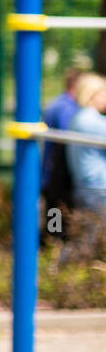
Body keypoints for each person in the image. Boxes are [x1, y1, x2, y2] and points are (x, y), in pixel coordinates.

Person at [40, 68, 82, 241]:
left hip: (50, 173)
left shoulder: (57, 103)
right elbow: (67, 138)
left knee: (53, 215)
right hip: (56, 175)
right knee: (56, 221)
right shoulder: (67, 107)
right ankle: (52, 253)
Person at [66, 72, 106, 233]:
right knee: (92, 236)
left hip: (87, 186)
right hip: (98, 188)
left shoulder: (79, 117)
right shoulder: (90, 120)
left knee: (89, 236)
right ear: (92, 94)